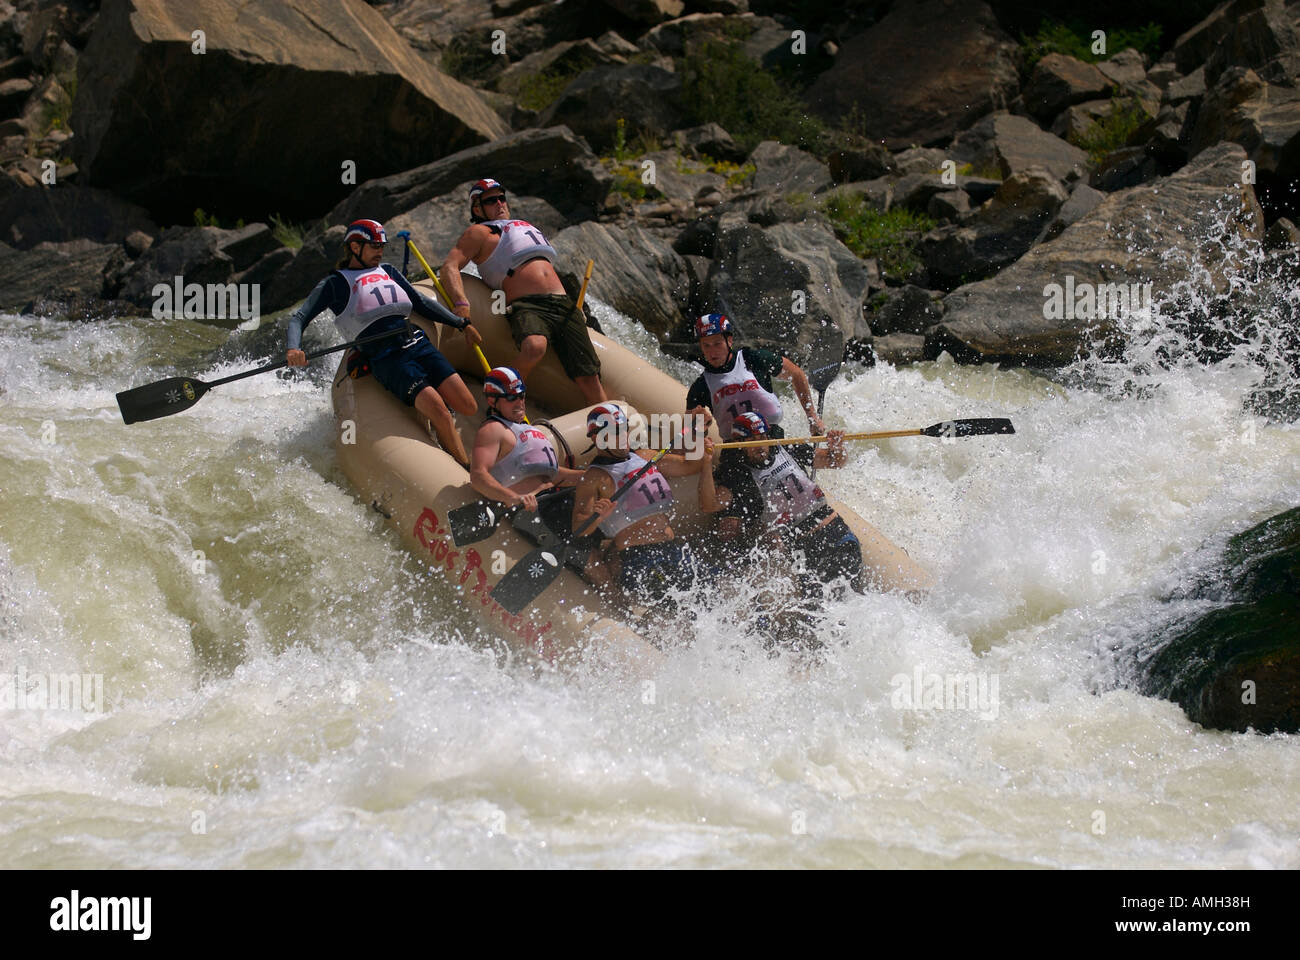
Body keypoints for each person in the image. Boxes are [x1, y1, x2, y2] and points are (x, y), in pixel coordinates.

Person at [286, 218, 483, 465]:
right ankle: (466, 469)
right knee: (441, 413)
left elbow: (421, 304)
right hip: (386, 356)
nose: (380, 251)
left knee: (468, 406)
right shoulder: (335, 284)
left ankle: (440, 422)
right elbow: (299, 317)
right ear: (355, 247)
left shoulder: (388, 271)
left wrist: (461, 324)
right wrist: (294, 347)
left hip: (417, 342)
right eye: (374, 246)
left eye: (382, 246)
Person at [439, 178, 606, 406]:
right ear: (477, 208)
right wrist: (461, 304)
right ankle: (501, 395)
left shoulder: (522, 227)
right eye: (491, 201)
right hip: (527, 304)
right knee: (534, 347)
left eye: (502, 198)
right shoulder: (479, 233)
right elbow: (449, 266)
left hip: (561, 302)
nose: (499, 204)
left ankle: (614, 432)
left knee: (589, 375)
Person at [699, 411, 861, 605]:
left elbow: (835, 461)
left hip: (834, 532)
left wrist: (837, 447)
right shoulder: (740, 477)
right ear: (741, 445)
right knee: (819, 610)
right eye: (752, 440)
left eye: (762, 437)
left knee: (851, 596)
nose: (760, 445)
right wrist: (706, 464)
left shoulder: (787, 449)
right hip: (801, 549)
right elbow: (709, 504)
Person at [572, 404, 708, 607]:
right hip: (639, 559)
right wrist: (599, 516)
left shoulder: (644, 456)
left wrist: (696, 428)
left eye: (624, 428)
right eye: (614, 432)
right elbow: (578, 527)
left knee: (710, 594)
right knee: (678, 611)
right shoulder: (594, 478)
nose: (623, 435)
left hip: (674, 549)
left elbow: (691, 465)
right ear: (597, 438)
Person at [686, 313, 826, 444]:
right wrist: (699, 426)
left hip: (771, 439)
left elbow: (796, 374)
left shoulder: (753, 359)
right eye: (706, 345)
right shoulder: (700, 387)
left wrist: (812, 417)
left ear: (729, 341)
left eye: (717, 344)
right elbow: (692, 442)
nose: (712, 351)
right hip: (735, 450)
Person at [469, 365, 583, 511]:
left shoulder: (527, 429)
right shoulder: (493, 429)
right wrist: (512, 497)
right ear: (492, 402)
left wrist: (587, 477)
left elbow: (552, 473)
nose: (519, 402)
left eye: (521, 395)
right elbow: (478, 476)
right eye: (511, 397)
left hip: (554, 500)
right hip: (528, 511)